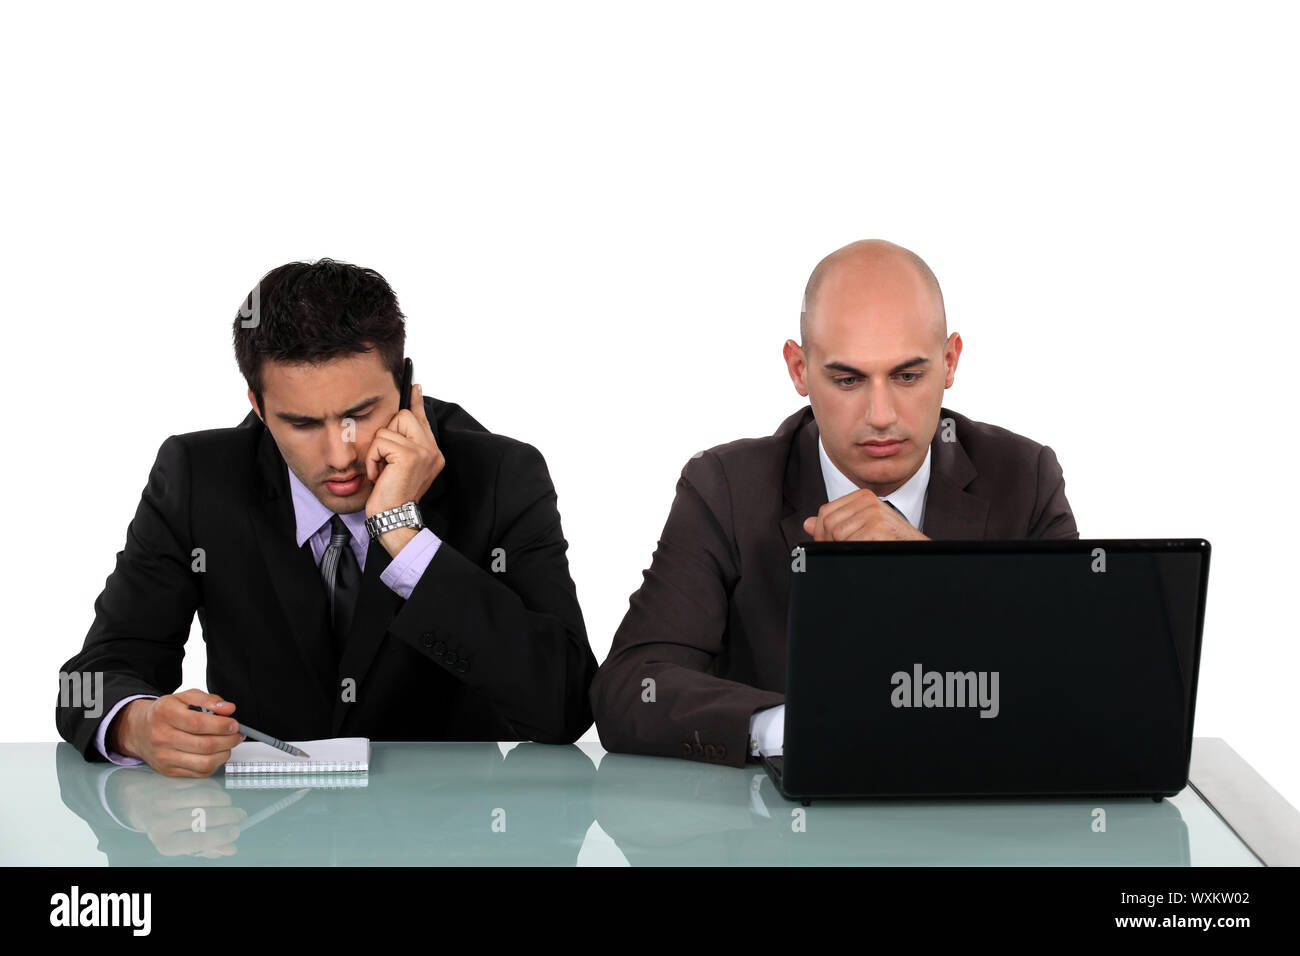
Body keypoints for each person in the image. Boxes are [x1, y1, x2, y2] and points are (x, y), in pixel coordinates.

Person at [57, 259, 596, 776]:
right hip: (262, 825)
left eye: (360, 414)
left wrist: (404, 534)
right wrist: (136, 723)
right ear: (258, 406)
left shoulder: (501, 475)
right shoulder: (198, 478)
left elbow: (565, 703)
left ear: (405, 385)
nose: (340, 456)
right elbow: (88, 682)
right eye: (302, 423)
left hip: (445, 826)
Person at [590, 239, 1078, 767]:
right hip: (786, 816)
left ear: (950, 361)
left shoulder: (1024, 478)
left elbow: (1080, 681)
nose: (881, 415)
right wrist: (795, 729)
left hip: (969, 807)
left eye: (908, 376)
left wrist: (931, 576)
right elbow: (630, 687)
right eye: (847, 380)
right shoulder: (726, 487)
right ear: (799, 369)